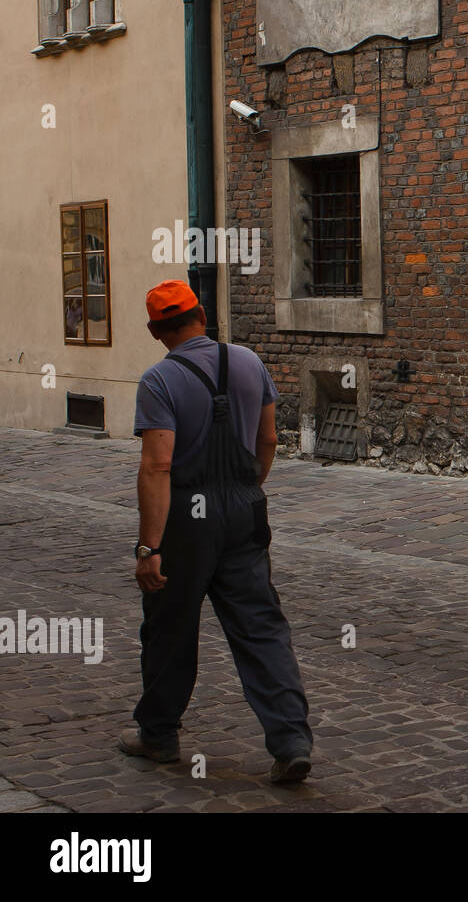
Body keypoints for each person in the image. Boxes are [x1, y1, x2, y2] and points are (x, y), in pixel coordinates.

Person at [121, 280, 313, 783]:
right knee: (262, 627)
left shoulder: (158, 381)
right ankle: (291, 739)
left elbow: (157, 467)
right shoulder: (249, 362)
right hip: (245, 510)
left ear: (154, 330)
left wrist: (150, 546)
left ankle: (159, 735)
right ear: (201, 315)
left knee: (170, 627)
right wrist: (246, 489)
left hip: (188, 516)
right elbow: (268, 438)